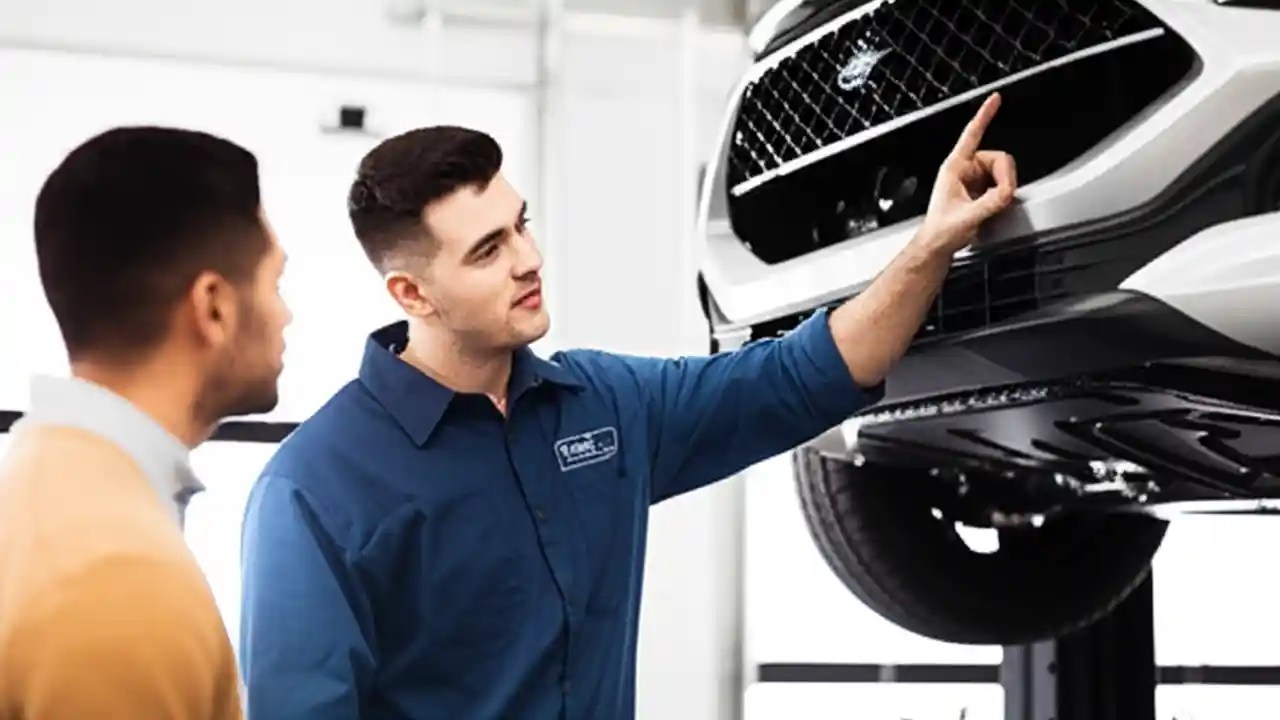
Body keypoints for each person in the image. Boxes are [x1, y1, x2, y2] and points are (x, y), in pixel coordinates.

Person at [238, 93, 1017, 718]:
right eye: (487, 250)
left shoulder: (606, 406)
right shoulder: (313, 491)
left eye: (521, 225)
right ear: (413, 294)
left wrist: (932, 242)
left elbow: (804, 376)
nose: (528, 260)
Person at [0, 127, 291, 719]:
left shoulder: (48, 487)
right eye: (275, 283)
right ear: (214, 306)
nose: (288, 315)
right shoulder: (115, 579)